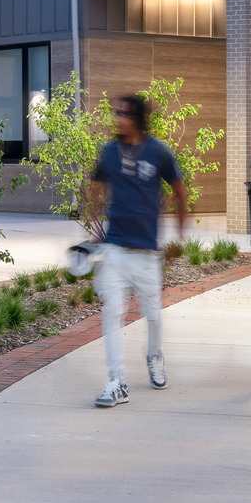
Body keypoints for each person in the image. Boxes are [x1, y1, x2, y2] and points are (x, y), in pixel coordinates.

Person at [81, 93, 185, 408]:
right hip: (115, 250)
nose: (116, 119)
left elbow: (179, 189)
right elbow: (96, 188)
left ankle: (154, 355)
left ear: (137, 118)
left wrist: (180, 233)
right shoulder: (109, 152)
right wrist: (94, 223)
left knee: (152, 313)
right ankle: (117, 381)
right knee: (111, 312)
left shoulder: (158, 152)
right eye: (115, 113)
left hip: (146, 252)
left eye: (122, 114)